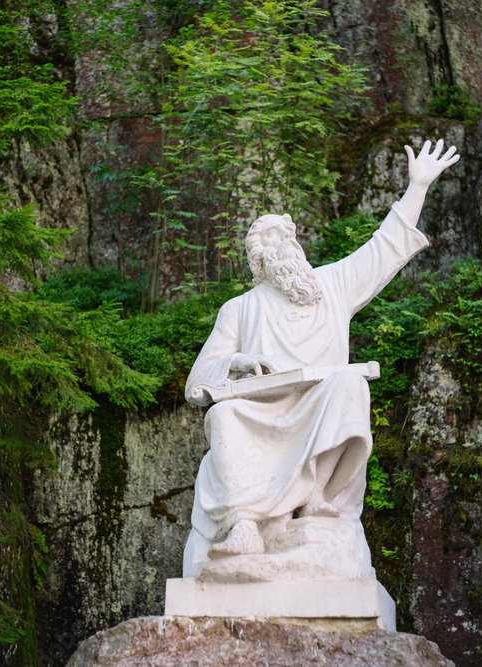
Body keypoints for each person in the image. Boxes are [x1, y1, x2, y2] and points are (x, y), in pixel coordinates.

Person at [182, 140, 460, 580]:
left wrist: (417, 187)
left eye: (289, 233)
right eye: (274, 234)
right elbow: (198, 382)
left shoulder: (333, 284)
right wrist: (239, 360)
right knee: (224, 416)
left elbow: (383, 248)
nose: (286, 239)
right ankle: (245, 527)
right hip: (263, 410)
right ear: (257, 252)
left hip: (320, 404)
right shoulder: (239, 308)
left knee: (350, 385)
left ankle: (317, 493)